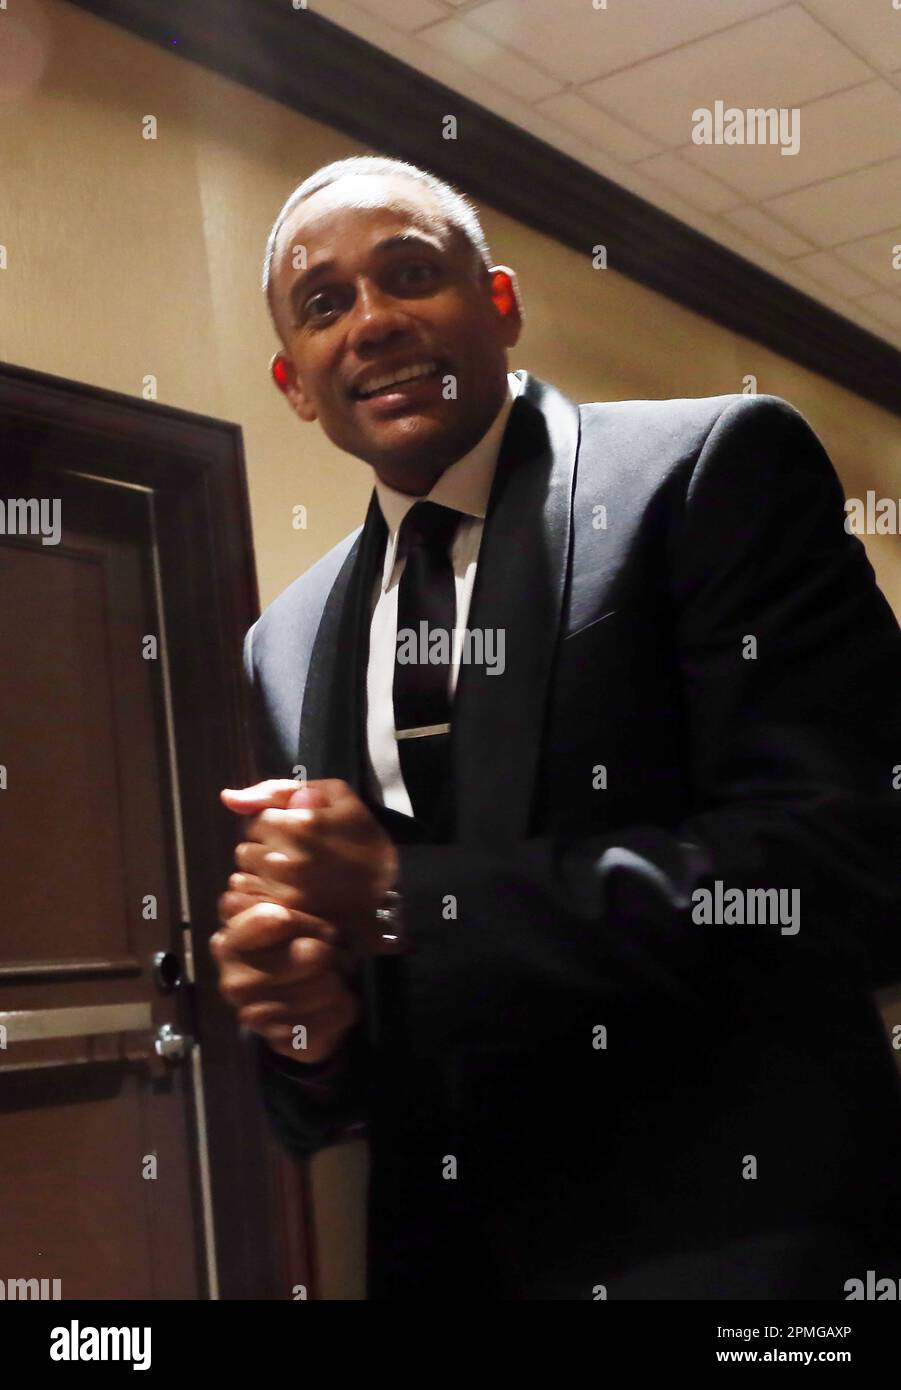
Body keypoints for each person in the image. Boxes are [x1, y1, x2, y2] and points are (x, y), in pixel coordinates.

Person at [211, 155, 901, 1300]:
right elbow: (364, 1037)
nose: (372, 322)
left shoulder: (709, 467)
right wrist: (308, 1030)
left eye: (410, 274)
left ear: (499, 303)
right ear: (295, 382)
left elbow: (859, 864)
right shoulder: (279, 643)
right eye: (325, 304)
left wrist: (413, 896)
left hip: (741, 1253)